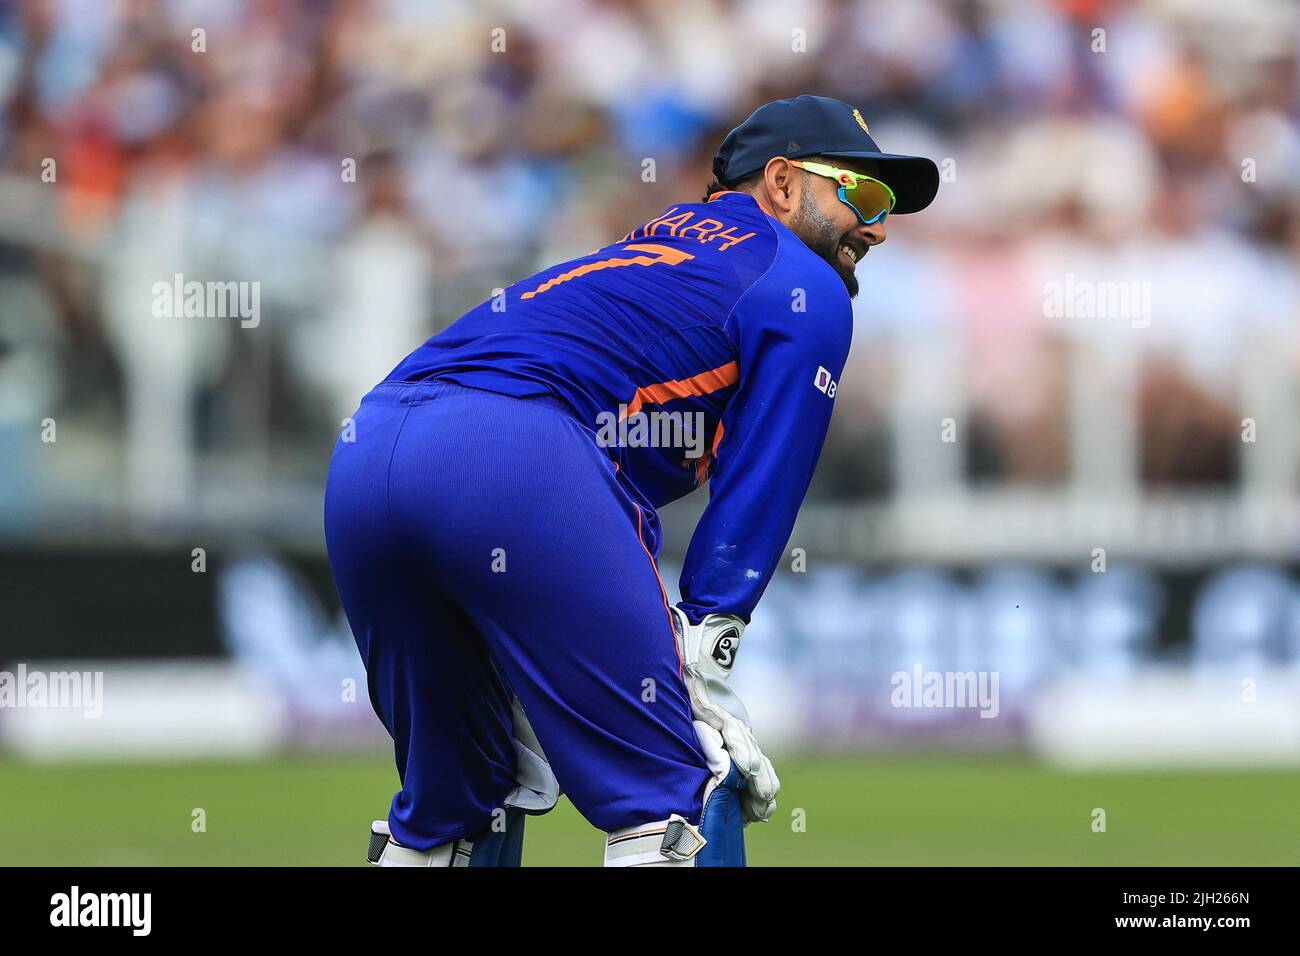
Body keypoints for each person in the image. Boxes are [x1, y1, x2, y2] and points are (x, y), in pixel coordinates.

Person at [324, 94, 938, 866]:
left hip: (367, 452)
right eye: (864, 194)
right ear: (782, 184)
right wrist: (709, 639)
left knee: (457, 803)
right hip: (515, 456)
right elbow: (760, 487)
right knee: (689, 784)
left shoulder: (645, 253)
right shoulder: (799, 284)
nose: (878, 225)